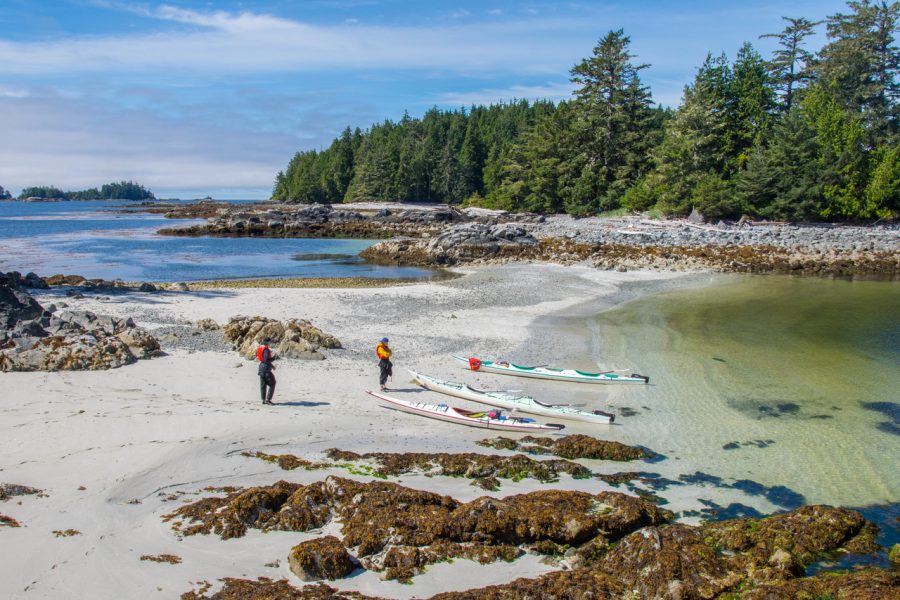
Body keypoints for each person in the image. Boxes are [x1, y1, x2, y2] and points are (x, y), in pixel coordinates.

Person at [257, 337, 276, 405]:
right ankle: (268, 400)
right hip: (265, 369)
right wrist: (273, 358)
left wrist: (272, 366)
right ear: (267, 342)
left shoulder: (261, 347)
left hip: (261, 368)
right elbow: (265, 360)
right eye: (270, 342)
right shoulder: (266, 350)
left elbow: (263, 360)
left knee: (263, 384)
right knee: (272, 383)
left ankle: (263, 400)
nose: (270, 343)